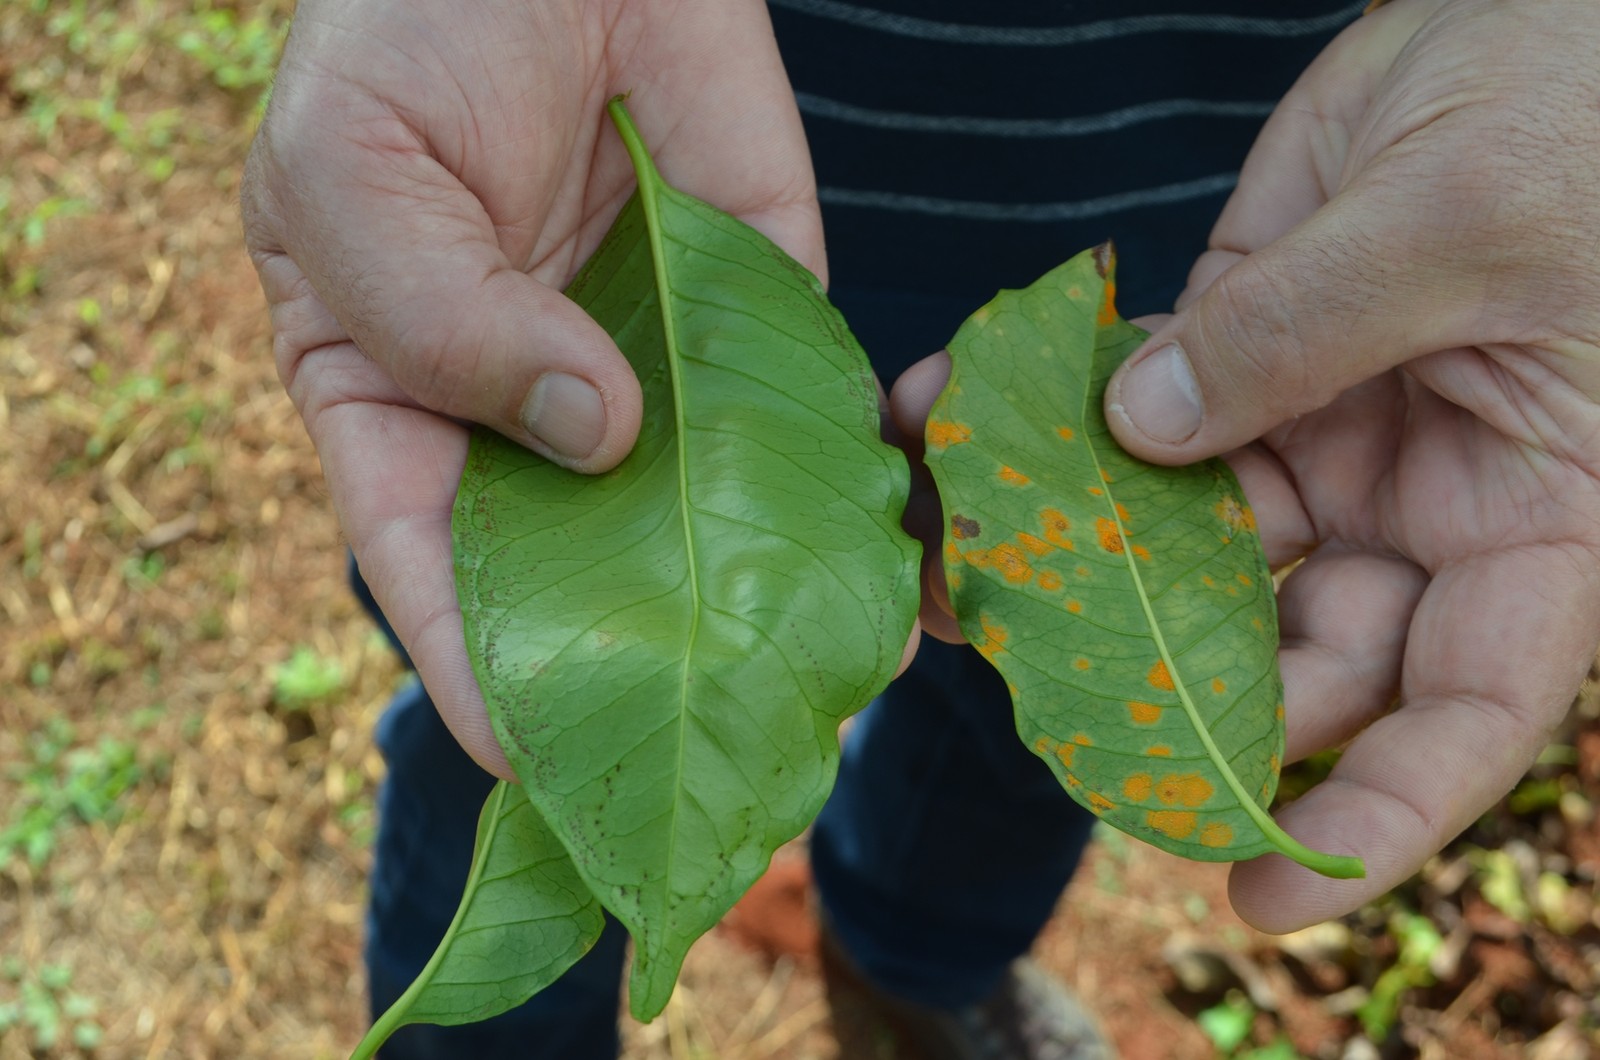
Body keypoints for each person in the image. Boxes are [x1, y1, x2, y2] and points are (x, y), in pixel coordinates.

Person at [240, 0, 1600, 1055]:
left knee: (1007, 715)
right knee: (523, 724)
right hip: (626, 163)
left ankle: (916, 957)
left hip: (1220, 214)